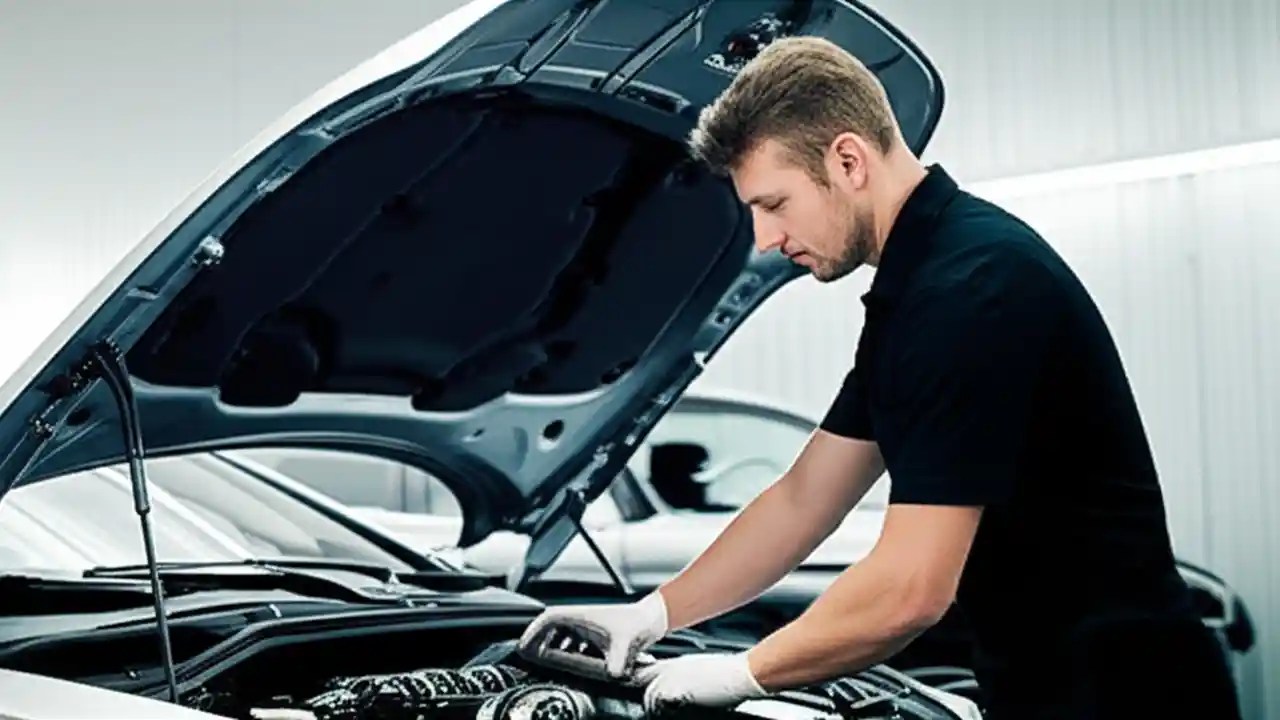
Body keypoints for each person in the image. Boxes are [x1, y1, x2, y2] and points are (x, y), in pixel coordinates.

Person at [518, 36, 1241, 719]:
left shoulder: (970, 291)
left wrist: (744, 672)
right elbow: (805, 498)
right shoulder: (919, 286)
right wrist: (654, 614)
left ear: (849, 162)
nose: (765, 240)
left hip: (1124, 695)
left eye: (773, 204)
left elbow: (910, 590)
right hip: (1052, 684)